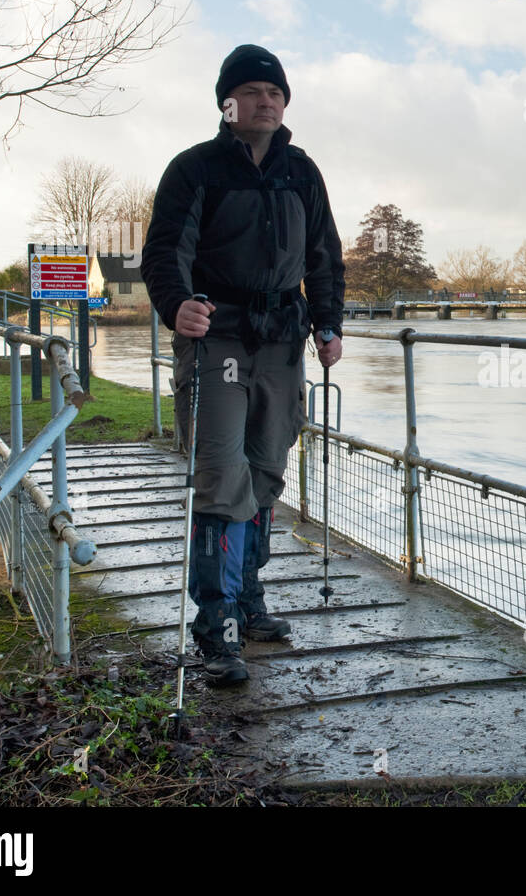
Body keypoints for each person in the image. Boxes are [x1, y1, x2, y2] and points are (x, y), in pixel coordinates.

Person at [141, 44, 345, 687]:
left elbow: (324, 254)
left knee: (264, 472)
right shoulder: (194, 169)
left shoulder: (302, 172)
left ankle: (248, 597)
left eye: (276, 93)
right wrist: (178, 308)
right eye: (253, 91)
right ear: (227, 104)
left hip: (282, 343)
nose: (267, 101)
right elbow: (164, 252)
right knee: (220, 474)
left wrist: (329, 321)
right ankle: (217, 622)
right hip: (217, 340)